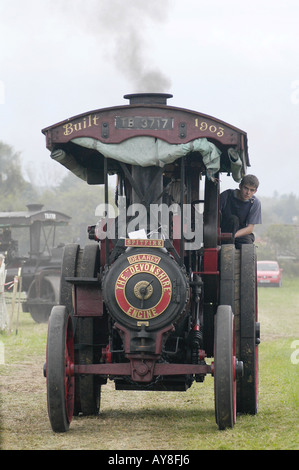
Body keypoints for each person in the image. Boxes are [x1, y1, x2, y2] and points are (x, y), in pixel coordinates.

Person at [220, 174, 261, 248]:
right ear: (240, 186)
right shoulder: (226, 195)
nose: (248, 192)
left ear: (255, 191)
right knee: (233, 219)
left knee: (248, 245)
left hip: (239, 233)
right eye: (246, 188)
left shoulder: (255, 203)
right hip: (223, 231)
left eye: (252, 190)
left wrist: (232, 236)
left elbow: (249, 228)